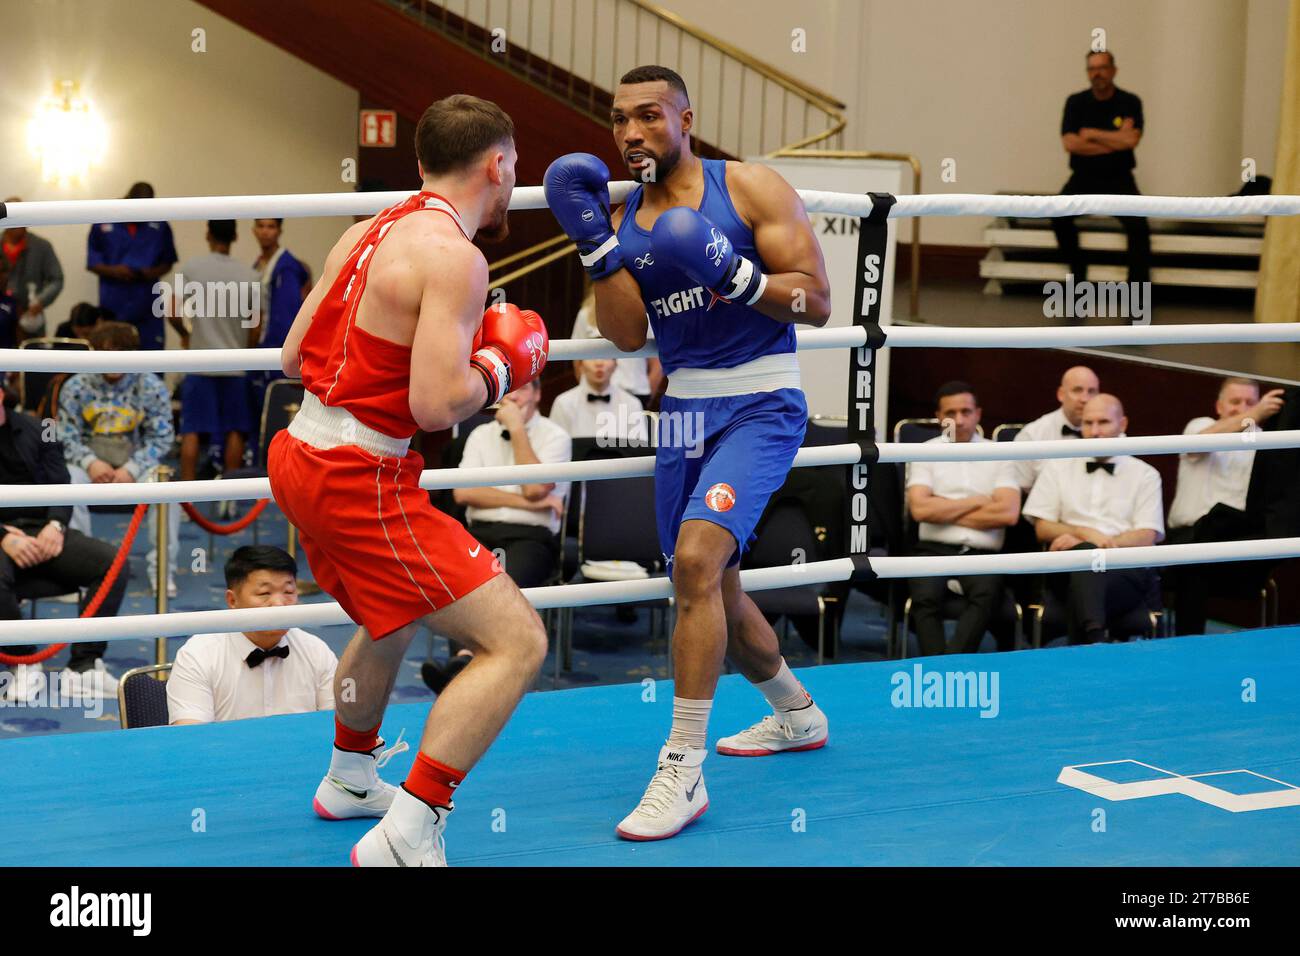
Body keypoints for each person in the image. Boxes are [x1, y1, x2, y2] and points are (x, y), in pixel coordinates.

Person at [544, 64, 833, 841]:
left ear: (685, 119)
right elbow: (631, 337)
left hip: (762, 399)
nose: (632, 133)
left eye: (648, 116)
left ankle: (681, 768)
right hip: (681, 408)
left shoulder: (748, 188)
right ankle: (796, 715)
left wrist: (738, 277)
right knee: (704, 584)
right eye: (618, 121)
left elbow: (817, 296)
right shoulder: (626, 216)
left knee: (699, 565)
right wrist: (599, 251)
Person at [266, 93, 550, 867]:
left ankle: (351, 776)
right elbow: (434, 404)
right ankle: (410, 830)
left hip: (299, 453)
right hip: (361, 474)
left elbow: (292, 360)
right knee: (518, 642)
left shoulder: (367, 231)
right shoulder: (456, 256)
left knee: (389, 616)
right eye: (514, 168)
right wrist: (503, 364)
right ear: (497, 165)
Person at [425, 378, 570, 693]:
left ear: (538, 393)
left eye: (524, 388)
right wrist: (531, 503)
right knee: (459, 579)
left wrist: (517, 430)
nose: (515, 395)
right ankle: (468, 665)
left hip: (532, 537)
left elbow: (534, 486)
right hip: (480, 532)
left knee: (498, 586)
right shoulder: (479, 434)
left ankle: (463, 664)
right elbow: (464, 494)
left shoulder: (555, 436)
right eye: (510, 388)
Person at [0, 395, 129, 703]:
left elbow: (61, 482)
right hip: (1, 535)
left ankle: (83, 666)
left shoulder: (39, 429)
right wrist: (3, 535)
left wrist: (55, 526)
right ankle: (24, 661)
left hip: (41, 528)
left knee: (112, 564)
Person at [1023, 394, 1164, 644]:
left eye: (1103, 422)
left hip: (1123, 572)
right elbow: (1042, 528)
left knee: (1087, 564)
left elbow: (1146, 535)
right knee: (1085, 559)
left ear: (1123, 424)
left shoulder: (1145, 474)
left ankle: (1090, 638)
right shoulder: (1057, 467)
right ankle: (1095, 638)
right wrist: (1086, 534)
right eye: (1088, 423)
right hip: (1067, 571)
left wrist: (1091, 541)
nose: (1094, 431)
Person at [57, 321, 179, 596]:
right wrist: (90, 462)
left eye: (119, 351)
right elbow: (65, 435)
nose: (112, 359)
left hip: (136, 463)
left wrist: (133, 468)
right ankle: (76, 572)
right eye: (104, 351)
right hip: (88, 464)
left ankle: (162, 572)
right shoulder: (75, 385)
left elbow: (162, 436)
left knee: (167, 491)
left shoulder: (151, 385)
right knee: (65, 485)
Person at [905, 382, 1020, 655]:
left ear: (978, 414)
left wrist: (943, 509)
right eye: (951, 412)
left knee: (987, 596)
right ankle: (936, 665)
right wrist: (979, 501)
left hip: (983, 553)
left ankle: (953, 665)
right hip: (932, 550)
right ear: (938, 416)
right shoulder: (925, 451)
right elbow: (920, 510)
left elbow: (1008, 513)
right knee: (924, 597)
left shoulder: (999, 453)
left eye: (966, 411)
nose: (959, 419)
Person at [167, 546, 338, 725]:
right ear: (232, 600)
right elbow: (191, 740)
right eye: (265, 593)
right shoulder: (198, 655)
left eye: (288, 592)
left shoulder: (316, 652)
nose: (279, 605)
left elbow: (338, 729)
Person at [1167, 377, 1285, 635]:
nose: (1242, 408)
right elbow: (1195, 447)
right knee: (1197, 553)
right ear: (1219, 406)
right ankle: (1189, 648)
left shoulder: (1266, 441)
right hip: (1188, 539)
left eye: (1249, 402)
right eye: (1235, 402)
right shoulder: (1202, 425)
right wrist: (1255, 413)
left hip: (1234, 544)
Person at [167, 220, 260, 482]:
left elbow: (172, 310)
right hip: (235, 364)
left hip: (201, 362)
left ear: (208, 234)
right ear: (235, 237)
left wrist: (187, 335)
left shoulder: (192, 268)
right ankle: (227, 498)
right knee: (235, 430)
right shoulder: (249, 275)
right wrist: (245, 349)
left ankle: (186, 498)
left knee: (192, 430)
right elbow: (256, 326)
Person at [1051, 51, 1150, 288]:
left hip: (1119, 179)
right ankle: (1078, 272)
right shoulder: (1076, 102)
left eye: (1102, 67)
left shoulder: (1129, 101)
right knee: (1058, 217)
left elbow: (1130, 142)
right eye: (1092, 68)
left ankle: (1136, 288)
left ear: (1113, 70)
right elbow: (1070, 144)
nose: (1097, 73)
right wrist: (1115, 141)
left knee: (1138, 226)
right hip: (1083, 178)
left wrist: (1092, 134)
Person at [86, 182, 177, 350]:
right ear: (128, 199)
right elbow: (92, 262)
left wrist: (148, 273)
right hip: (113, 306)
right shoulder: (104, 220)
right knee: (113, 363)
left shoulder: (160, 224)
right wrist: (115, 271)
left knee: (151, 362)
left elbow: (168, 261)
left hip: (148, 306)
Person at [1012, 365, 1099, 492]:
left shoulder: (1110, 433)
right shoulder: (1032, 435)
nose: (1085, 399)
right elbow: (1021, 489)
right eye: (1077, 390)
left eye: (1091, 392)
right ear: (1061, 394)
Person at [570, 286, 661, 405]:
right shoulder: (585, 314)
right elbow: (578, 359)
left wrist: (647, 394)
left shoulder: (644, 315)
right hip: (597, 393)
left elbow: (657, 363)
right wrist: (589, 388)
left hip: (635, 390)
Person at [3, 197, 65, 342]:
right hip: (2, 317)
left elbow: (57, 279)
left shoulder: (41, 246)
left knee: (33, 357)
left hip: (30, 317)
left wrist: (40, 301)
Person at [548, 355, 647, 444]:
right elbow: (555, 445)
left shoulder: (632, 404)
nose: (599, 363)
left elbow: (639, 448)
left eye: (606, 357)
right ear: (580, 365)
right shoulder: (563, 403)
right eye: (592, 357)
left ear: (615, 364)